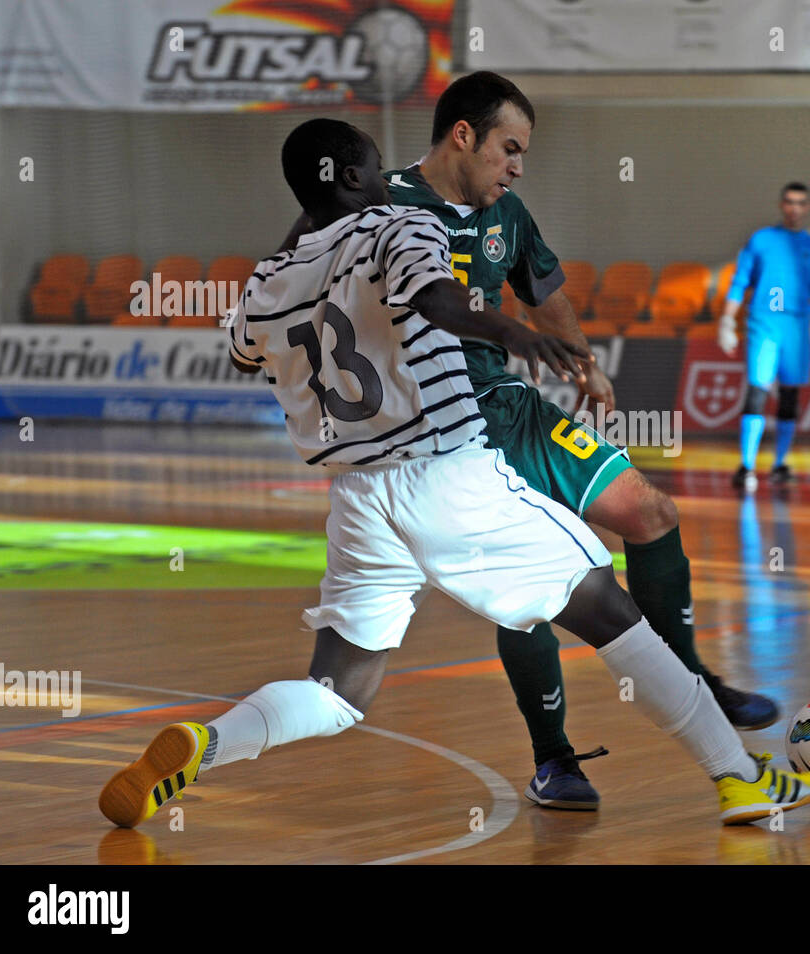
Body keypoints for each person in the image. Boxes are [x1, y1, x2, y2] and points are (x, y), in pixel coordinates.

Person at [97, 119, 810, 831]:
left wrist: (311, 231)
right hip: (446, 470)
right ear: (354, 179)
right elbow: (437, 300)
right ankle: (741, 778)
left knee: (338, 692)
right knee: (610, 610)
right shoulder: (400, 228)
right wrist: (514, 332)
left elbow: (242, 353)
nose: (389, 179)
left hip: (358, 499)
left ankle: (207, 743)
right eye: (376, 169)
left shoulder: (267, 281)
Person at [283, 71, 779, 813]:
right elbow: (294, 267)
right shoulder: (373, 200)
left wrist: (584, 364)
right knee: (536, 594)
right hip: (442, 429)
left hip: (517, 406)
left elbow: (545, 294)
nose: (517, 165)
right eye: (508, 149)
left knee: (651, 515)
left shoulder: (505, 212)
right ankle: (554, 759)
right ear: (463, 136)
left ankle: (691, 678)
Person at [719, 182, 810, 493]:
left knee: (790, 396)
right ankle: (746, 465)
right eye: (789, 202)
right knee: (757, 390)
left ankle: (780, 462)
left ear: (807, 207)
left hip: (797, 326)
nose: (794, 208)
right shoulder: (762, 240)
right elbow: (739, 281)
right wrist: (727, 321)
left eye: (800, 203)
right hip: (764, 322)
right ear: (781, 204)